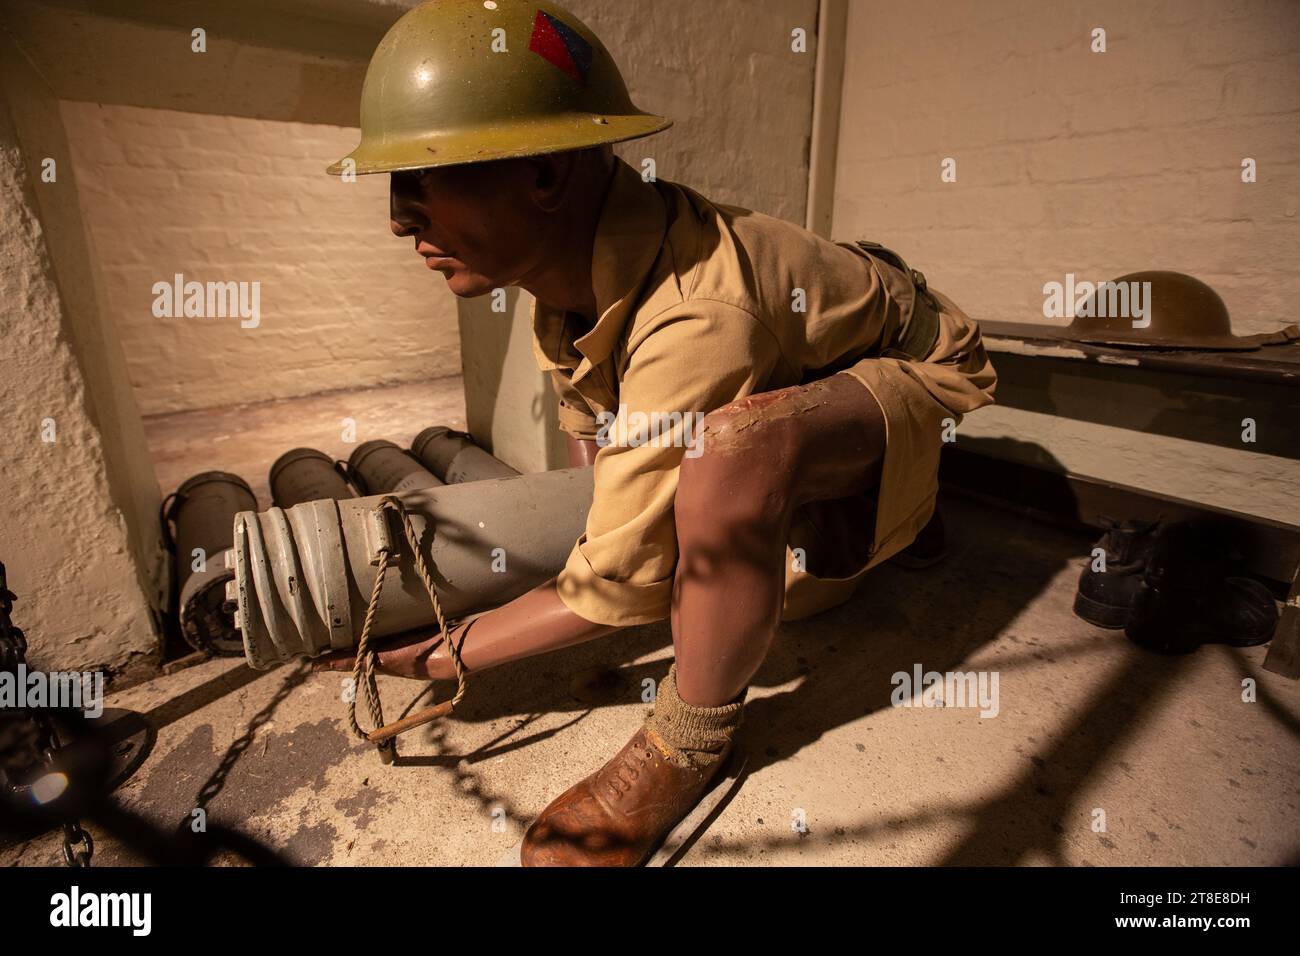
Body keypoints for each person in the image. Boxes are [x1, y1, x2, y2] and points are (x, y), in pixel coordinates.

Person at [319, 0, 997, 866]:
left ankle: (691, 743)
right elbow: (599, 456)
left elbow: (624, 587)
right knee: (700, 486)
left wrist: (454, 654)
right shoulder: (570, 279)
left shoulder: (697, 315)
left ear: (548, 175)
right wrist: (620, 552)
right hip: (835, 329)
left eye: (423, 178)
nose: (396, 218)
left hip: (925, 353)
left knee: (736, 452)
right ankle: (888, 513)